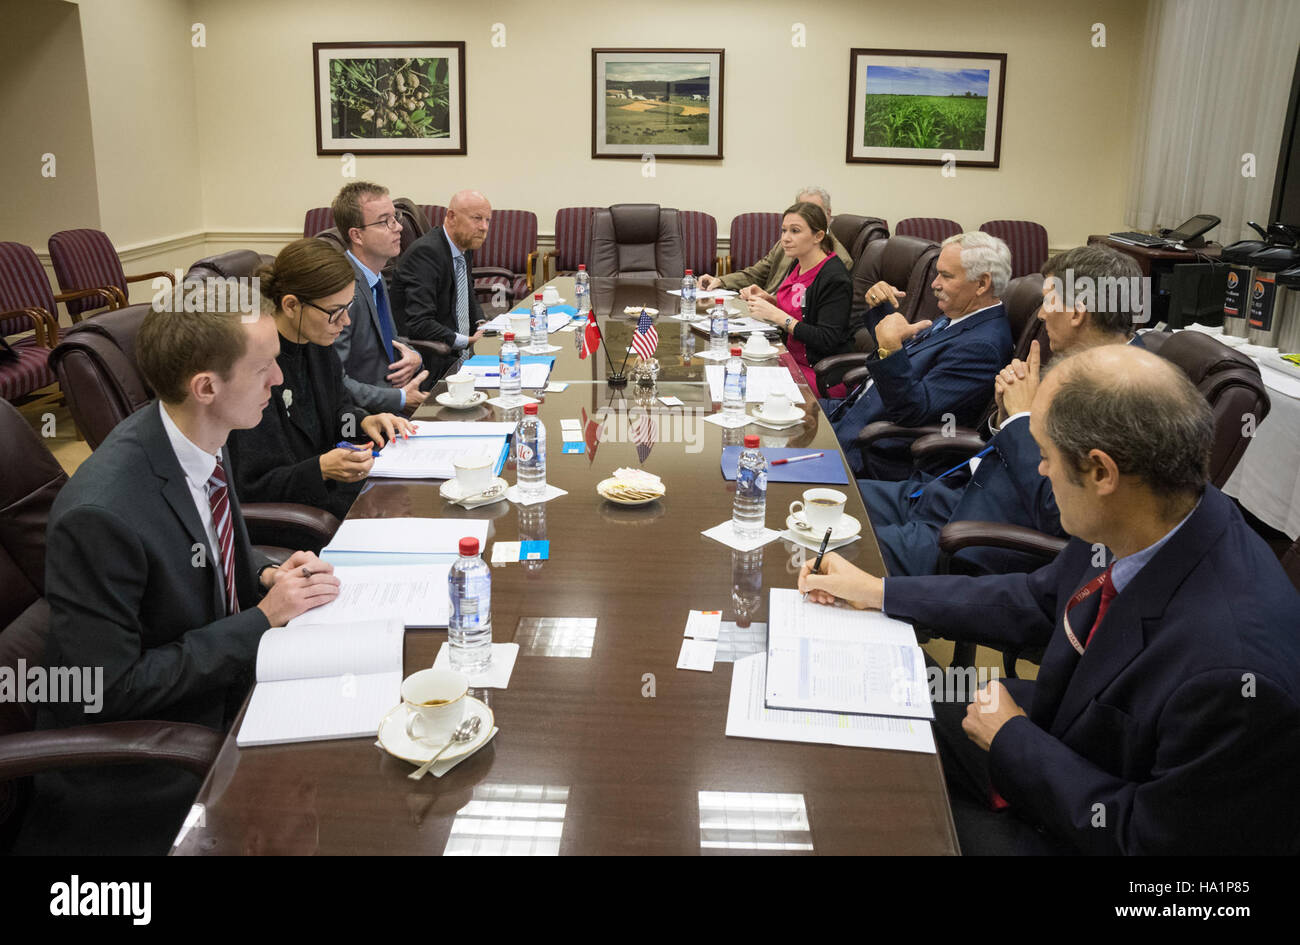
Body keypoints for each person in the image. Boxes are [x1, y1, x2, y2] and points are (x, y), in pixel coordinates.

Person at [800, 344, 1300, 855]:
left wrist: (1013, 741)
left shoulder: (1232, 671)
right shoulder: (1143, 509)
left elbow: (1148, 842)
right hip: (1061, 744)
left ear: (1102, 472)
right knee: (872, 698)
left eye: (1044, 455)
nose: (1038, 472)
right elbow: (1036, 600)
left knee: (875, 826)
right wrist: (879, 591)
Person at [26, 304, 343, 855]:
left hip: (216, 687)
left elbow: (208, 548)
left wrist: (266, 574)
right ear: (205, 386)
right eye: (264, 366)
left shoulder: (196, 438)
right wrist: (262, 620)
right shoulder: (102, 514)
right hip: (150, 751)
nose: (280, 377)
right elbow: (108, 690)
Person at [859, 245, 1146, 576]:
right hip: (941, 496)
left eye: (1049, 301)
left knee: (826, 548)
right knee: (822, 496)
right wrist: (1003, 413)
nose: (1040, 315)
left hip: (972, 539)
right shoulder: (1077, 360)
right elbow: (1010, 444)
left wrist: (1021, 418)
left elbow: (1060, 514)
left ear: (1077, 313)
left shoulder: (1130, 394)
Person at [227, 239, 412, 521]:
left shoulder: (317, 342)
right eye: (335, 311)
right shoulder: (255, 369)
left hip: (334, 493)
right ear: (291, 305)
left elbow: (336, 409)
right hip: (298, 515)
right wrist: (320, 468)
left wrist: (363, 421)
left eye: (348, 307)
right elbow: (252, 486)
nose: (346, 321)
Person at [829, 231, 1013, 480]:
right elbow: (908, 364)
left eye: (946, 276)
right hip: (852, 412)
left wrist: (891, 347)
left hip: (872, 449)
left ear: (981, 284)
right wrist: (880, 310)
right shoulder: (959, 316)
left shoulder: (983, 346)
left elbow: (913, 411)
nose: (934, 283)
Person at [331, 181, 430, 411]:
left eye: (396, 218)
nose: (399, 228)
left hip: (392, 408)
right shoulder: (343, 291)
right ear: (357, 235)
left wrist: (415, 356)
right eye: (386, 221)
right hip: (363, 423)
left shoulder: (374, 278)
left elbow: (389, 340)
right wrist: (401, 399)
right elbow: (336, 381)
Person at [735, 201, 853, 389]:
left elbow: (826, 338)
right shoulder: (799, 263)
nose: (785, 238)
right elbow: (803, 309)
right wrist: (770, 300)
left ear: (819, 236)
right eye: (784, 230)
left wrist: (777, 316)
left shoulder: (835, 278)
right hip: (788, 358)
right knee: (734, 369)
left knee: (743, 384)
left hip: (818, 373)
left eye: (795, 231)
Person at [390, 189, 490, 380]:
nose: (484, 227)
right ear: (451, 217)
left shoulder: (464, 244)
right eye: (477, 218)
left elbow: (467, 290)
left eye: (487, 220)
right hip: (434, 360)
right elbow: (419, 323)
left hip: (463, 353)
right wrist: (467, 341)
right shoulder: (426, 253)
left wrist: (481, 323)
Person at [696, 186, 851, 295]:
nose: (786, 237)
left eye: (813, 211)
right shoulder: (787, 241)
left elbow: (804, 304)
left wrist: (768, 303)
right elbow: (756, 273)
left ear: (828, 214)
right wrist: (720, 281)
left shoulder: (839, 260)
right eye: (801, 209)